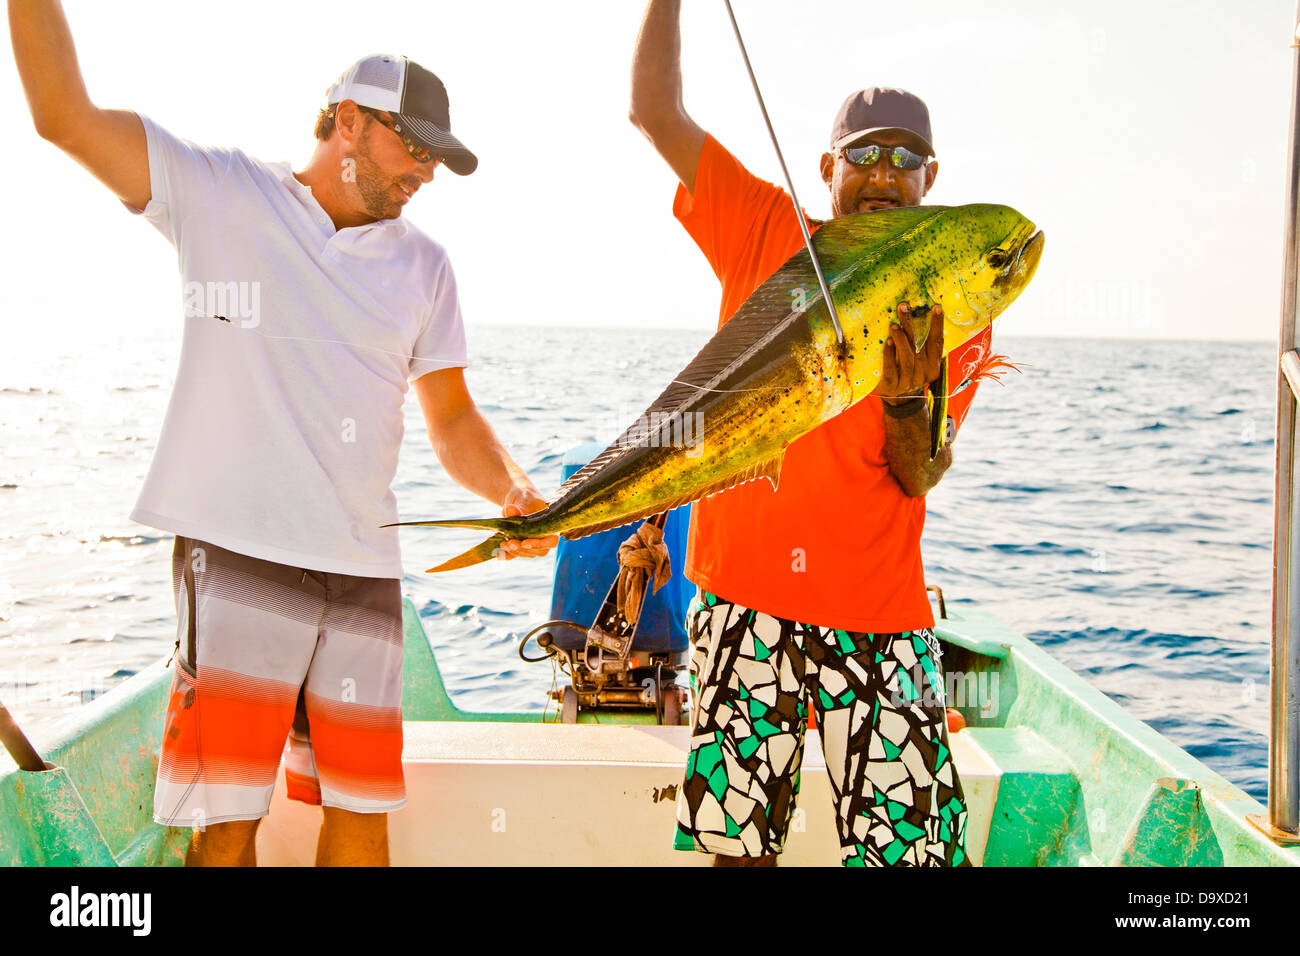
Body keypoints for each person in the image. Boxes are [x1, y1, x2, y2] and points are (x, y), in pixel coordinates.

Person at [10, 1, 557, 867]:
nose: (424, 171)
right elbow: (60, 116)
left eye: (436, 158)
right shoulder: (219, 192)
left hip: (365, 573)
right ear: (348, 120)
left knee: (362, 815)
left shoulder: (426, 268)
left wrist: (514, 490)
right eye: (412, 145)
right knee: (227, 826)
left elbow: (452, 420)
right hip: (235, 558)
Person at [629, 0, 996, 866]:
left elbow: (918, 475)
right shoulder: (764, 229)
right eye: (862, 156)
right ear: (828, 166)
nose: (881, 173)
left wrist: (909, 407)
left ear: (930, 177)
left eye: (902, 158)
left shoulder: (959, 299)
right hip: (748, 603)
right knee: (739, 852)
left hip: (881, 615)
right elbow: (653, 110)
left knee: (910, 855)